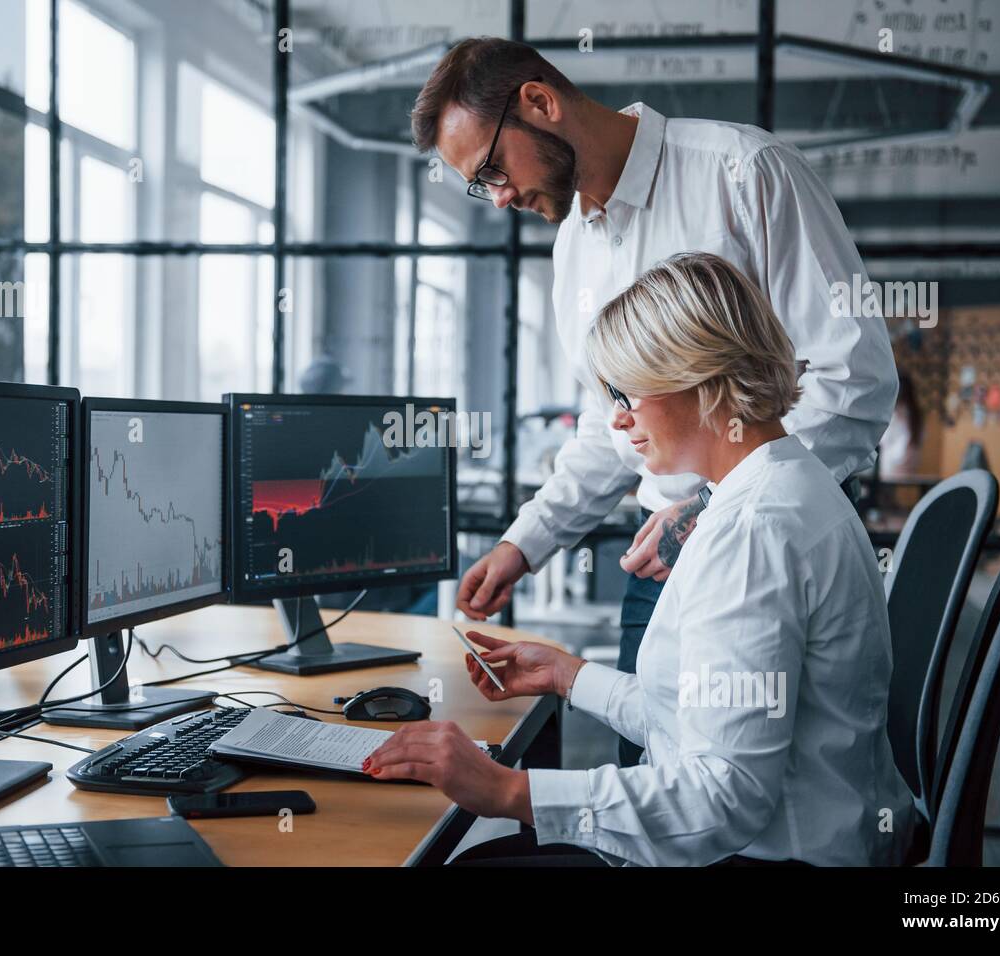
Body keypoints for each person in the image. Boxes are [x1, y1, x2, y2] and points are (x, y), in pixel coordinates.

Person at [411, 39, 897, 765]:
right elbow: (614, 425)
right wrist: (525, 542)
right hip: (658, 559)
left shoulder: (741, 172)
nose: (501, 198)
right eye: (481, 190)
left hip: (770, 537)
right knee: (660, 776)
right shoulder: (574, 245)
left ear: (540, 103)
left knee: (735, 789)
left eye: (490, 170)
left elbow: (853, 378)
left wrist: (714, 509)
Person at [362, 253, 916, 867]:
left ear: (702, 377)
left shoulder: (753, 531)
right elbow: (701, 722)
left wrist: (507, 790)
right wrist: (568, 676)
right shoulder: (782, 485)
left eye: (627, 393)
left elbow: (723, 797)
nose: (617, 419)